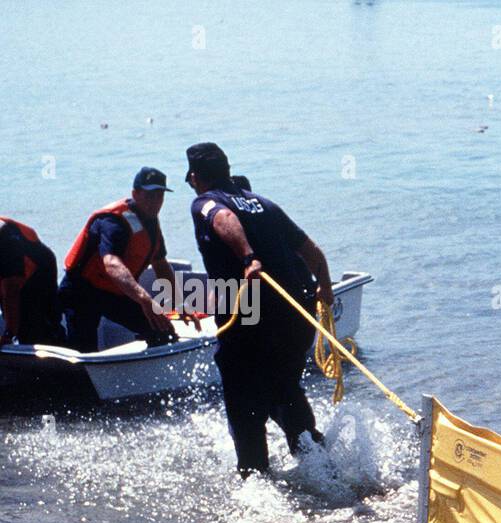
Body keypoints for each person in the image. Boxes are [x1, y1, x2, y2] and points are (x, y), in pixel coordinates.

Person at [184, 142, 334, 476]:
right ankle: (321, 466)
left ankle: (254, 477)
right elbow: (312, 250)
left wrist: (248, 257)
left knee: (244, 400)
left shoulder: (205, 202)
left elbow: (223, 218)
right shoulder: (264, 204)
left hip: (250, 312)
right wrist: (324, 286)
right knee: (283, 386)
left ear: (195, 177)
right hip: (293, 313)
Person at [59, 167, 181, 351]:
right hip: (82, 291)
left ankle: (150, 366)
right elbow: (112, 264)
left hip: (114, 292)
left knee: (162, 330)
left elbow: (160, 264)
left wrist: (178, 302)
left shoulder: (150, 221)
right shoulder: (113, 222)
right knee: (83, 350)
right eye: (149, 196)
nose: (155, 202)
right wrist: (145, 299)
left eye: (159, 196)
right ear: (135, 194)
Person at [0, 216, 64, 346]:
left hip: (36, 274)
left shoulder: (6, 239)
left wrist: (9, 334)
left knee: (34, 326)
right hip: (9, 276)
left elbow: (11, 291)